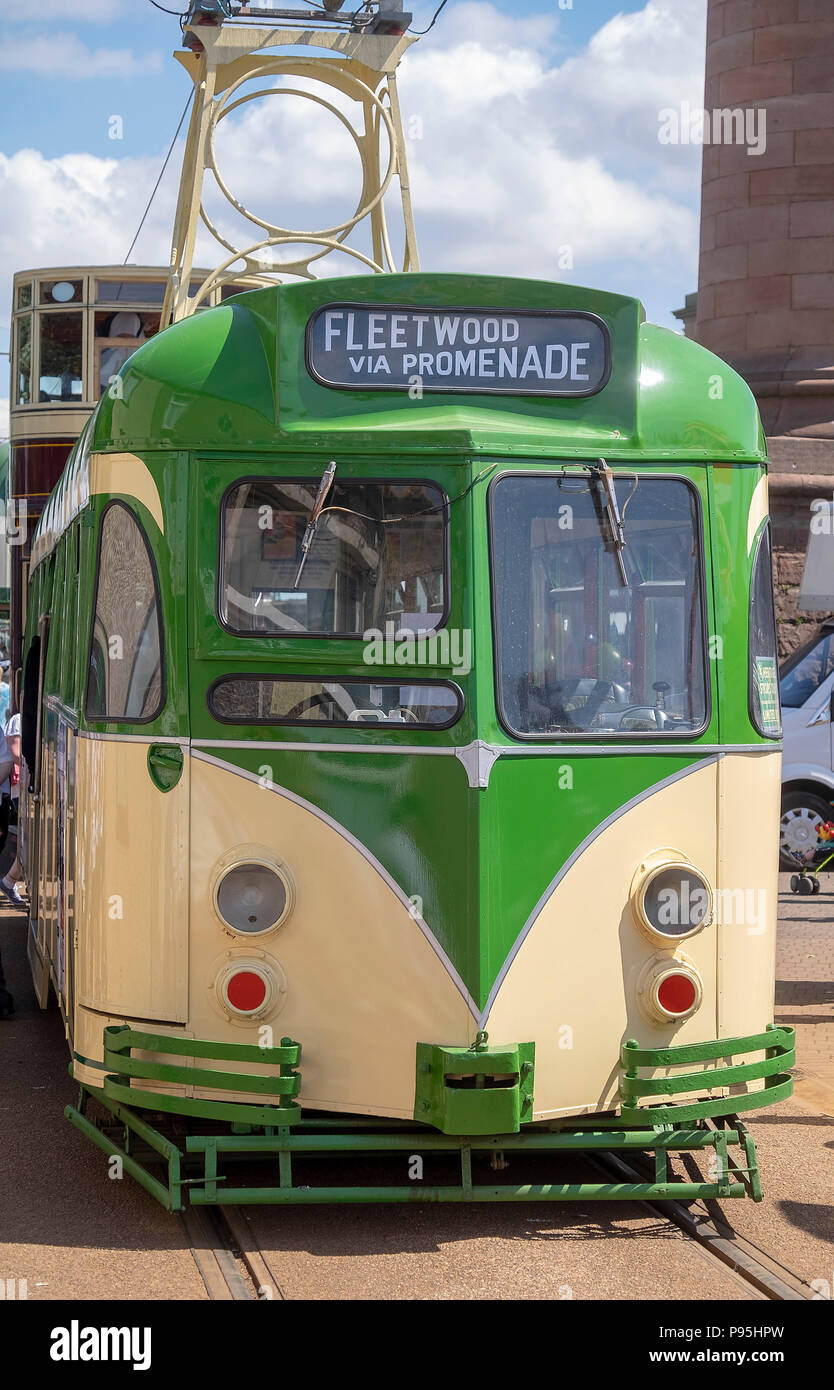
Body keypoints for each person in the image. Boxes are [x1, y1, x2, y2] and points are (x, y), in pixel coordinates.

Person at [0, 711, 25, 907]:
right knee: (26, 841)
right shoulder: (18, 719)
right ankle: (9, 881)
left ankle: (9, 881)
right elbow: (14, 752)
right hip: (21, 789)